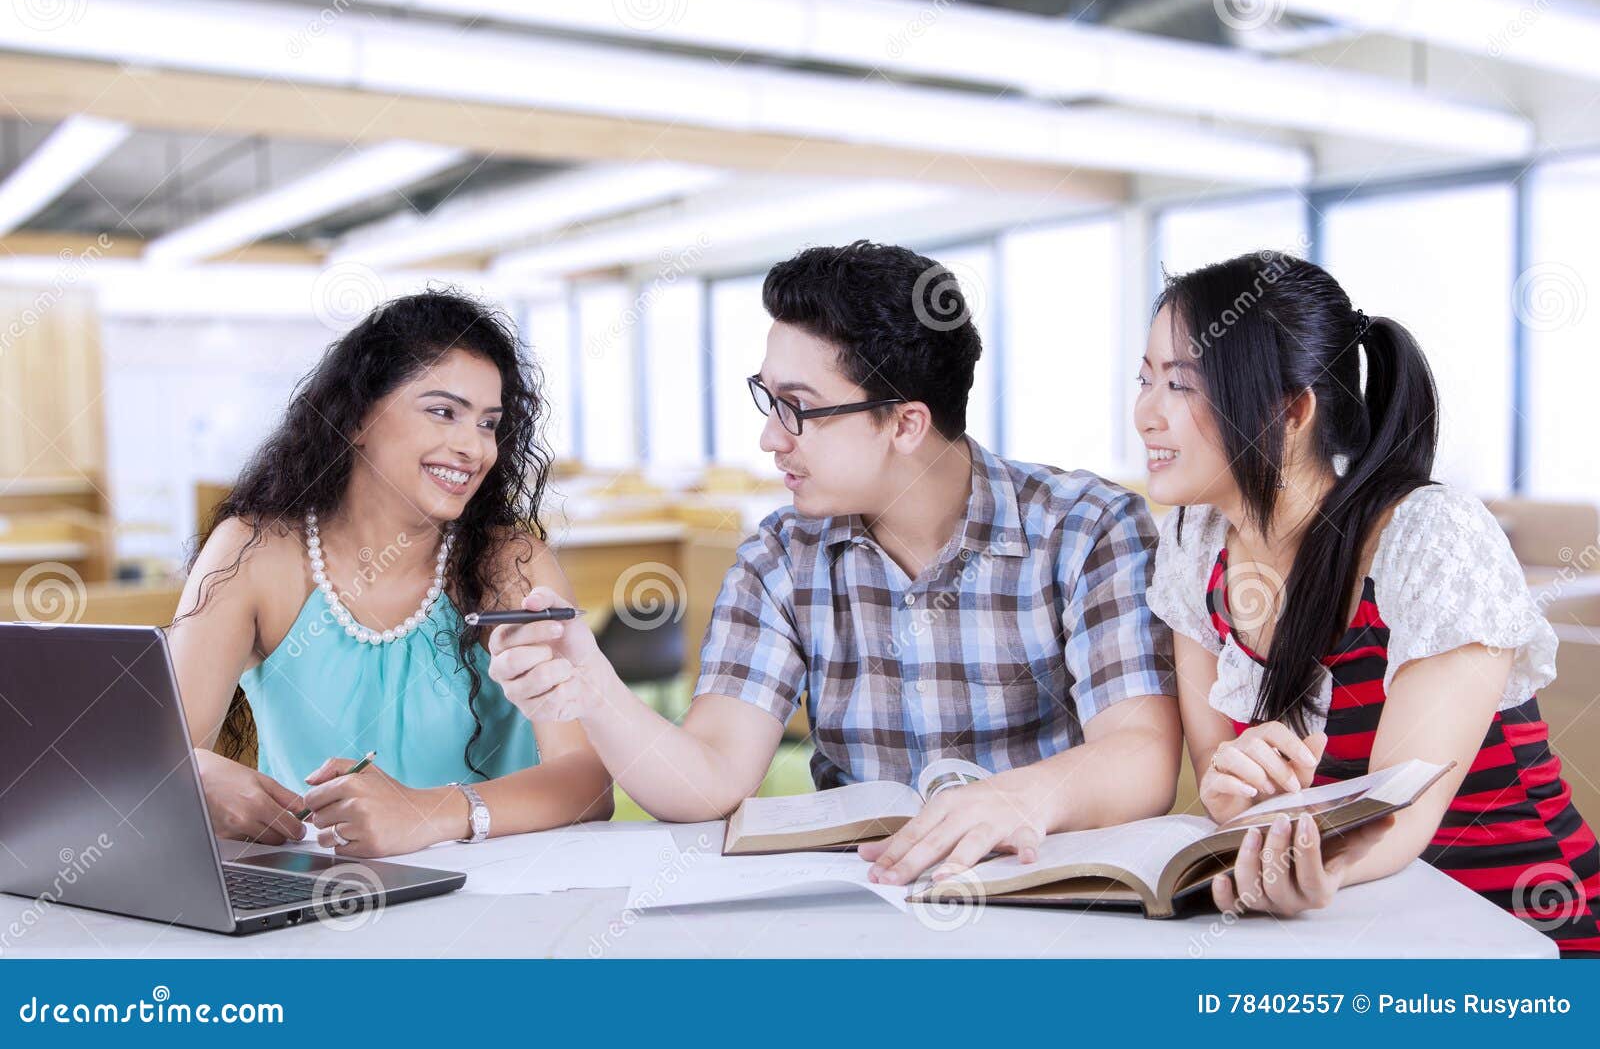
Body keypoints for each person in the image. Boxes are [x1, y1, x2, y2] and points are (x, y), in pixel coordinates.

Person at [488, 240, 1179, 885]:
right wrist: (593, 682)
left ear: (905, 424)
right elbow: (709, 779)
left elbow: (1141, 754)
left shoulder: (1086, 528)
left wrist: (1009, 801)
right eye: (768, 399)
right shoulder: (779, 558)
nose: (768, 437)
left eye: (798, 408)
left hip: (1039, 890)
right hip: (864, 901)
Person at [1137, 250, 1599, 956]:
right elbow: (1228, 783)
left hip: (1530, 931)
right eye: (1144, 380)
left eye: (1180, 384)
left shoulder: (1430, 539)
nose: (1145, 414)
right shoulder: (1194, 548)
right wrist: (1242, 806)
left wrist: (1310, 868)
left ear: (1291, 411)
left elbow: (1399, 814)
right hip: (1353, 932)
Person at [169, 290, 612, 858]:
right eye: (442, 411)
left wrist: (427, 815)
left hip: (495, 894)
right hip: (313, 900)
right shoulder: (254, 552)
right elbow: (159, 756)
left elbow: (588, 782)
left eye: (488, 424)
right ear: (356, 417)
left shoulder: (510, 563)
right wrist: (196, 776)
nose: (473, 447)